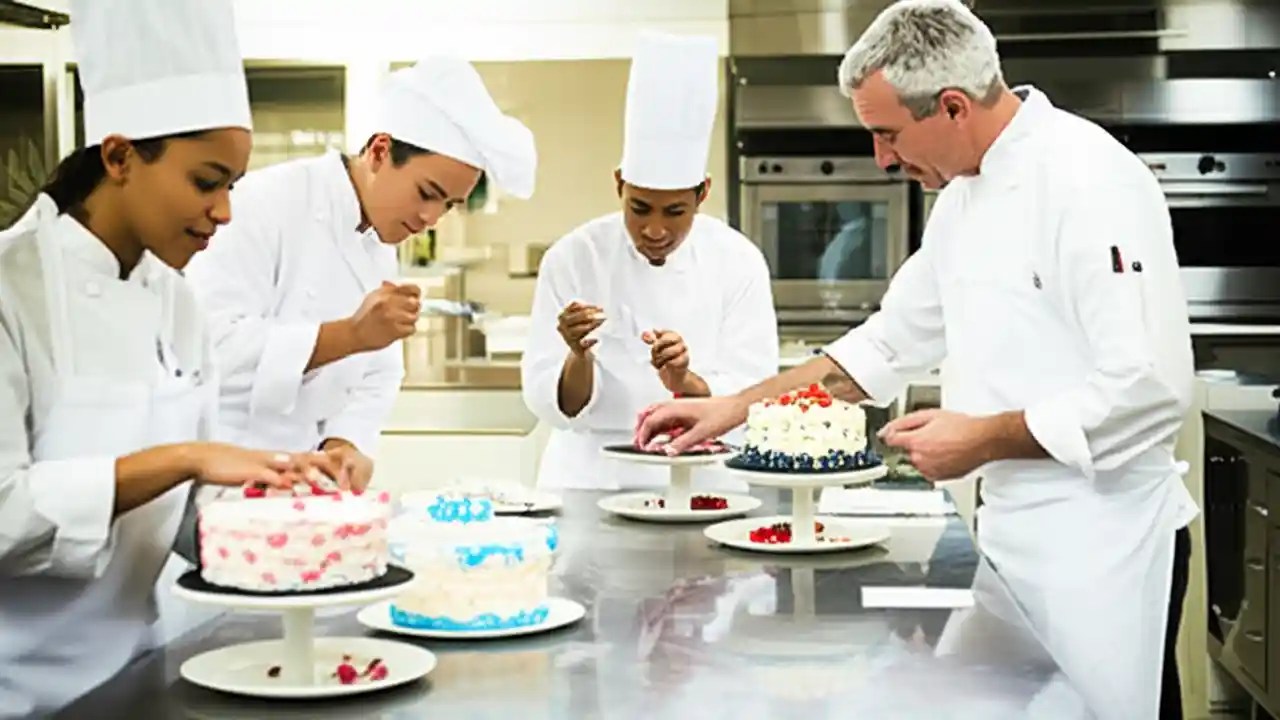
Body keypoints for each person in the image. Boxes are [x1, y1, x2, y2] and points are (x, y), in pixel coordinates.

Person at [636, 2, 1195, 718]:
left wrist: (982, 437)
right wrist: (734, 407)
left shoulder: (1088, 181)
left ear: (954, 107)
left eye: (886, 133)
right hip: (1007, 529)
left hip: (1102, 542)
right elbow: (884, 344)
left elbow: (1147, 388)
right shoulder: (962, 199)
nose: (883, 158)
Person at [0, 1, 342, 716]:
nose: (223, 212)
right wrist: (185, 458)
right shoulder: (11, 288)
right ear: (120, 155)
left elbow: (187, 518)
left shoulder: (178, 301)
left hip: (140, 672)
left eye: (232, 187)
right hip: (21, 689)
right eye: (205, 181)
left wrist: (283, 512)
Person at [183, 58, 537, 483]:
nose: (430, 217)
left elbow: (379, 371)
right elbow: (212, 350)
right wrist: (348, 335)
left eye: (448, 205)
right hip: (223, 473)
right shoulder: (264, 205)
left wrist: (345, 442)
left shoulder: (376, 240)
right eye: (427, 194)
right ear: (380, 151)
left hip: (305, 480)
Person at [521, 32, 778, 490]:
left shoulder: (737, 261)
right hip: (591, 478)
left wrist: (684, 379)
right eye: (639, 208)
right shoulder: (574, 257)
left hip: (704, 478)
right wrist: (578, 354)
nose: (655, 229)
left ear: (702, 193)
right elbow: (555, 405)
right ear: (620, 184)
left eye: (675, 211)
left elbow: (753, 399)